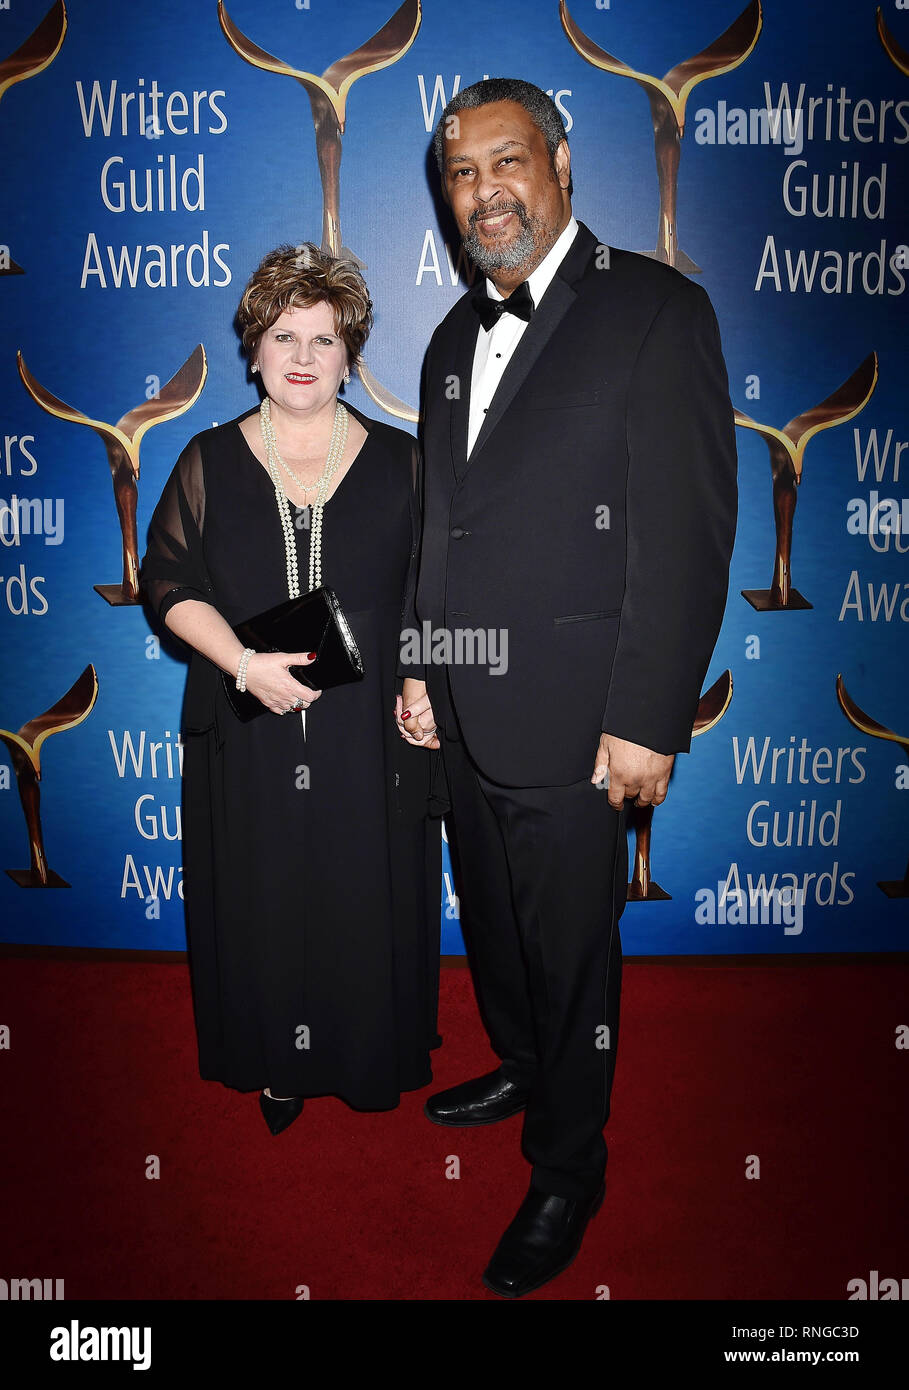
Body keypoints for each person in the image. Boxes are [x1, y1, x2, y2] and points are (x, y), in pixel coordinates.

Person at [397, 79, 737, 1297]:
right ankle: (525, 1062)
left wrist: (649, 717)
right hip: (471, 706)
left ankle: (567, 1166)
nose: (483, 192)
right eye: (461, 174)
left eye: (507, 162)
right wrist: (427, 663)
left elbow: (689, 536)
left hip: (588, 719)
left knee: (574, 951)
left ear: (562, 166)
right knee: (494, 925)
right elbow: (444, 528)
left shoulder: (657, 310)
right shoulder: (446, 343)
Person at [141, 244, 441, 1136]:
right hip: (247, 719)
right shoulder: (207, 458)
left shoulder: (405, 462)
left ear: (352, 354)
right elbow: (168, 582)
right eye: (284, 335)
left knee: (363, 884)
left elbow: (436, 586)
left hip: (370, 734)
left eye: (324, 337)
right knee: (264, 888)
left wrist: (422, 677)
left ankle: (363, 1054)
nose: (303, 355)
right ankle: (277, 1057)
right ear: (253, 348)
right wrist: (242, 664)